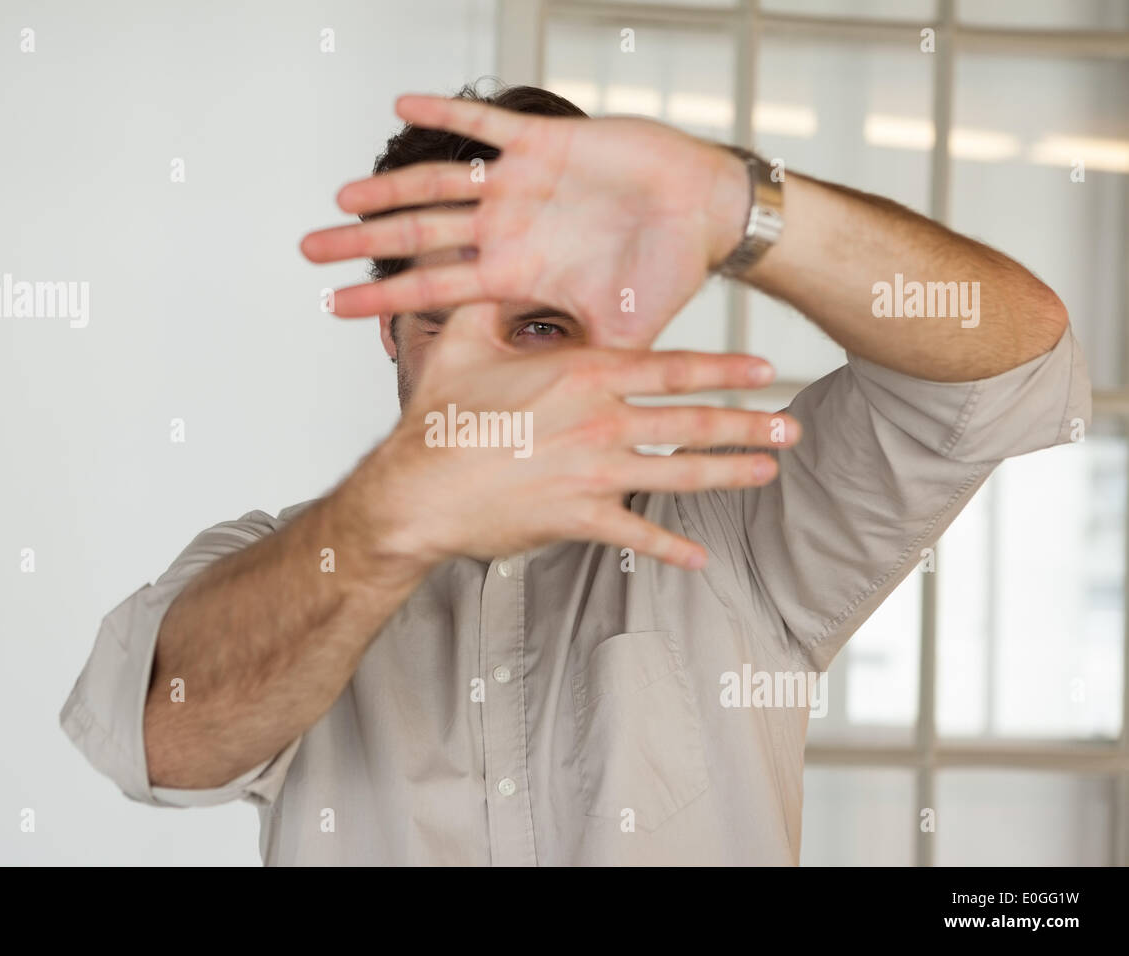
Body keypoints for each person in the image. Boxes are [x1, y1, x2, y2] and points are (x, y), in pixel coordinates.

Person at [60, 84, 1090, 865]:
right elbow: (162, 737)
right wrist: (397, 510)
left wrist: (740, 208)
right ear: (389, 331)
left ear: (610, 331)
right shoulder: (275, 561)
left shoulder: (734, 528)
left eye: (541, 324)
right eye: (452, 318)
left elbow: (1008, 361)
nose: (497, 367)